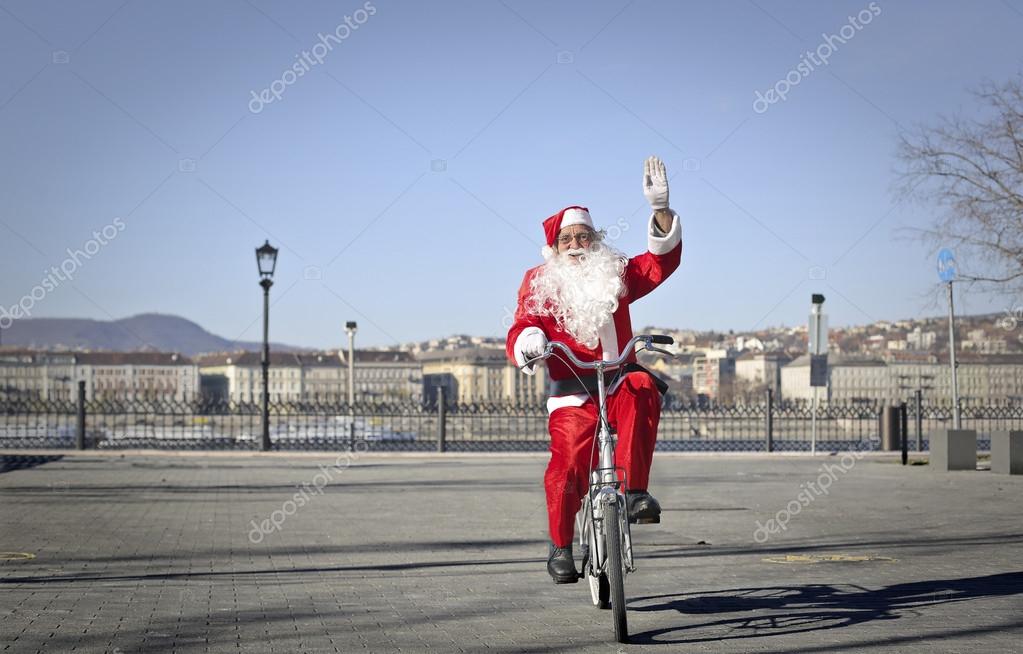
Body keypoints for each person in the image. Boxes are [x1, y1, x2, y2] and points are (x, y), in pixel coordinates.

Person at [505, 156, 683, 584]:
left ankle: (635, 492)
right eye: (567, 239)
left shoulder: (615, 272)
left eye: (584, 236)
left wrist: (660, 210)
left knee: (642, 386)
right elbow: (522, 323)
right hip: (572, 388)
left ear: (595, 239)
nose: (576, 244)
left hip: (616, 378)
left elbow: (658, 264)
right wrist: (529, 339)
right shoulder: (539, 281)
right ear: (555, 247)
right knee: (566, 467)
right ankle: (561, 545)